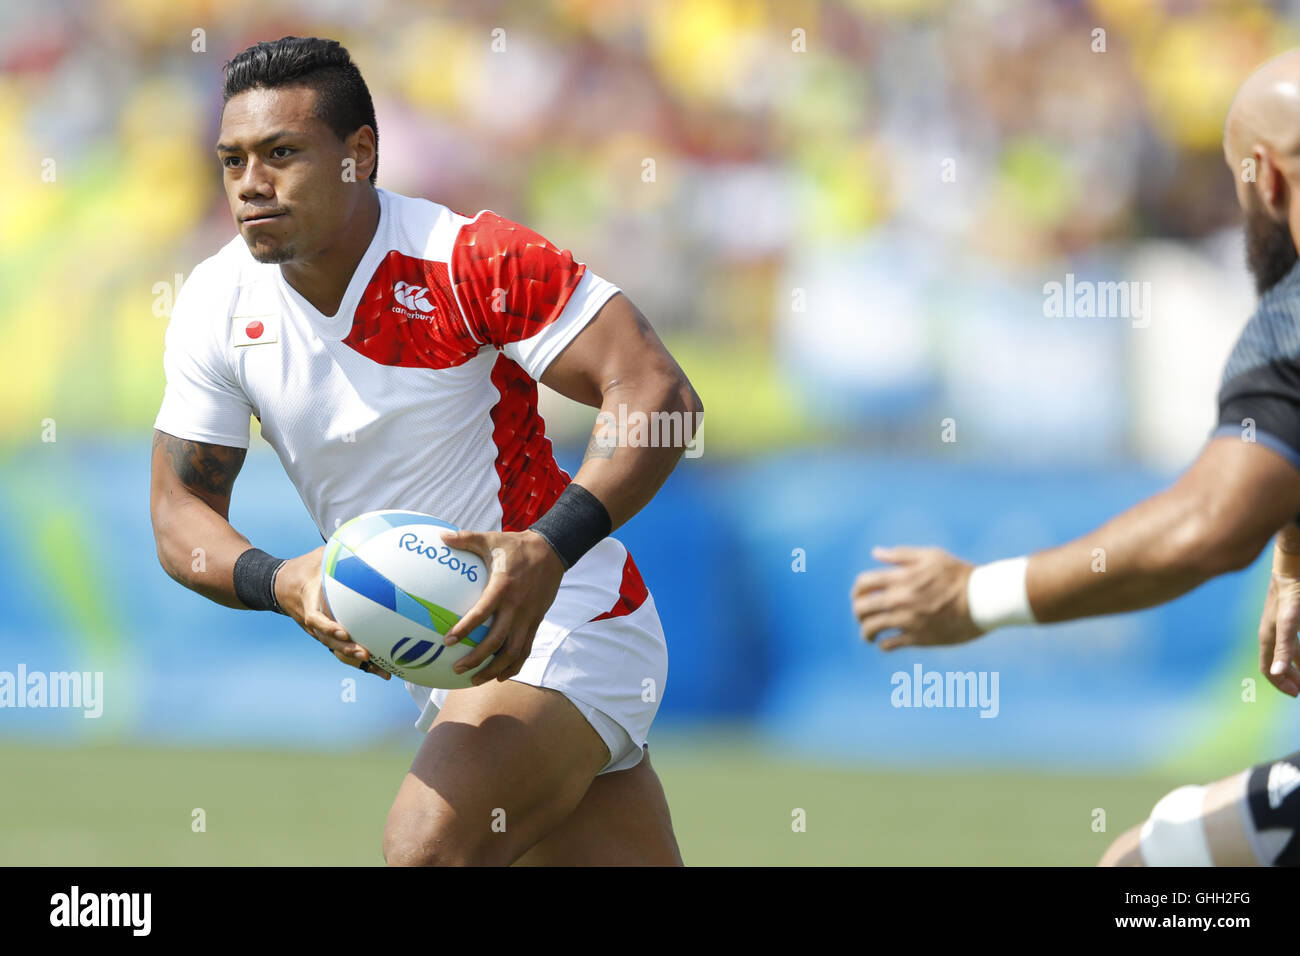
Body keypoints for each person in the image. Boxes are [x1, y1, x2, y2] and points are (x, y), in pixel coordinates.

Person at [150, 36, 701, 866]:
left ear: (358, 155)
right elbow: (178, 511)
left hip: (567, 619)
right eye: (233, 160)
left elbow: (657, 394)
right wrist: (278, 579)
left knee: (425, 850)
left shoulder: (467, 259)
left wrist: (548, 550)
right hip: (444, 657)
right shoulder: (214, 301)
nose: (250, 183)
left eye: (282, 153)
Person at [849, 48, 1300, 867]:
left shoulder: (1288, 324)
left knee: (1145, 871)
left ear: (1265, 180)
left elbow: (1208, 525)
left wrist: (975, 597)